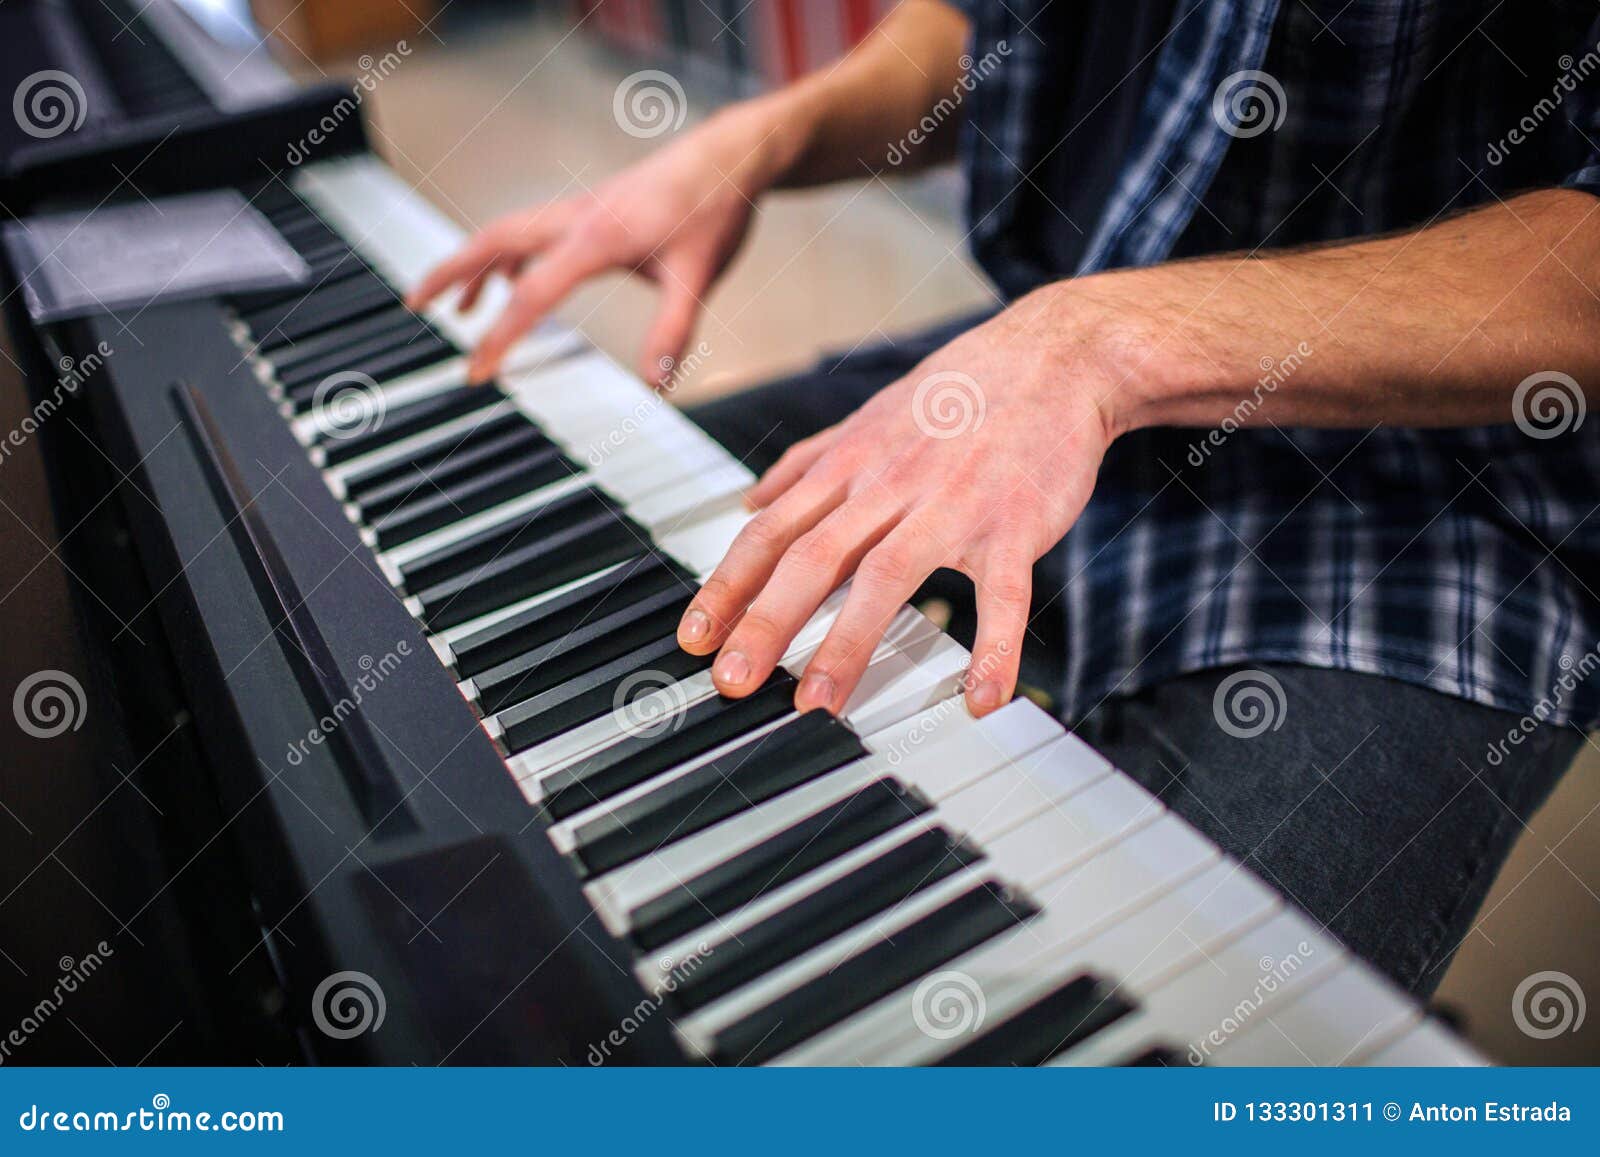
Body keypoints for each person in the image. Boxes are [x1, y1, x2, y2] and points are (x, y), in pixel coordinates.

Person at [410, 1, 1600, 997]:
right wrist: (760, 138)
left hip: (1431, 493)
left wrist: (1102, 343)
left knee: (1169, 1021)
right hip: (1035, 360)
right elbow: (983, 29)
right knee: (537, 585)